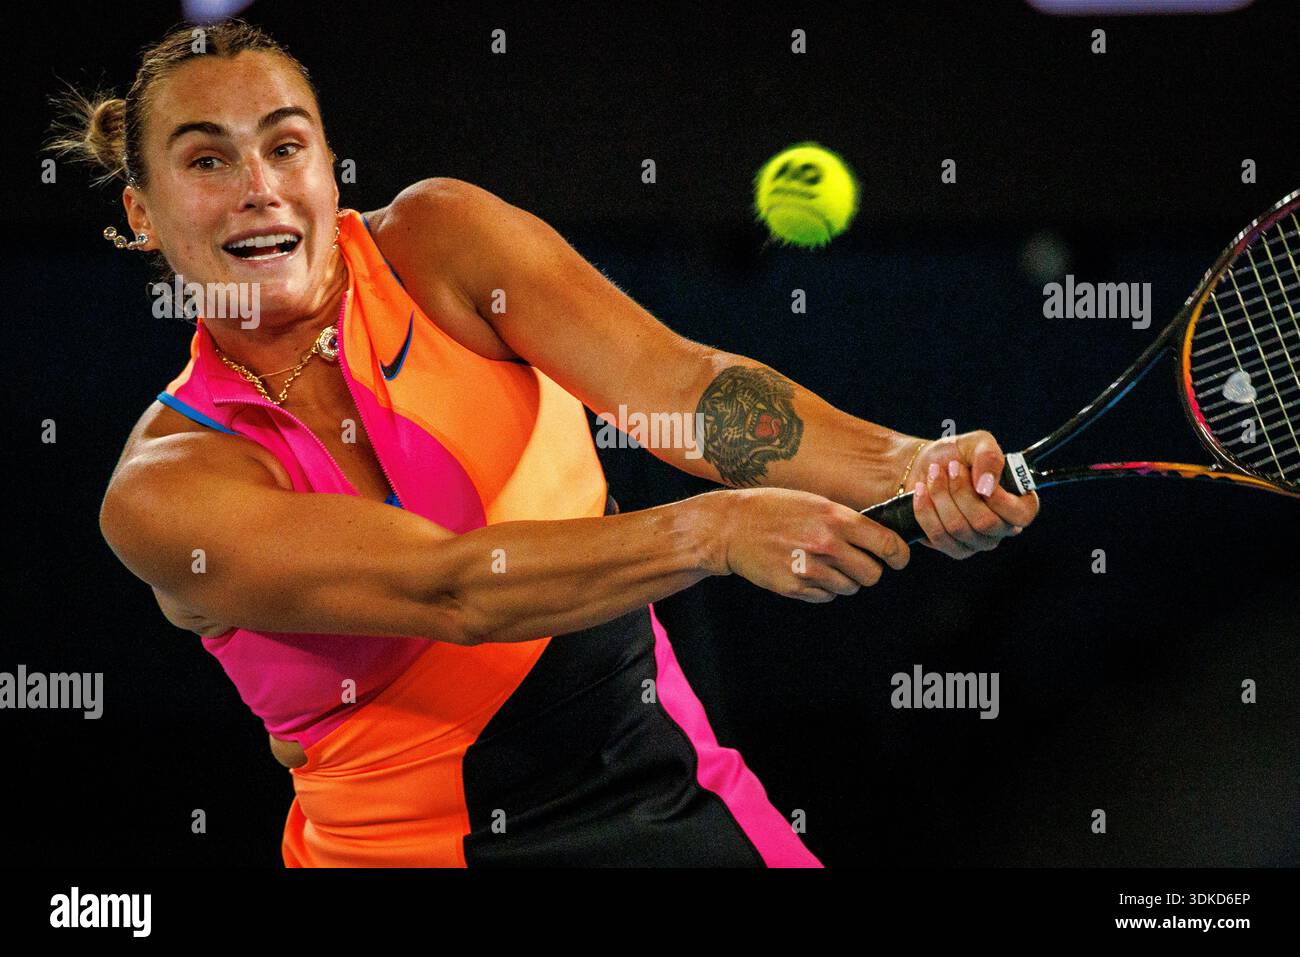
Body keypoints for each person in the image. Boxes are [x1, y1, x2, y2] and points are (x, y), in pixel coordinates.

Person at [52, 20, 1039, 867]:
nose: (259, 188)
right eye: (207, 159)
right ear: (140, 211)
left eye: (286, 146)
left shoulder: (442, 244)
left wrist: (906, 467)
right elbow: (454, 587)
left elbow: (680, 393)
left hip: (664, 788)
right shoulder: (165, 492)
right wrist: (713, 533)